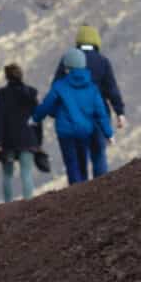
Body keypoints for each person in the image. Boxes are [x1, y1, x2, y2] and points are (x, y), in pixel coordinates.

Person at [52, 25, 126, 175]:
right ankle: (102, 187)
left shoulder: (68, 60)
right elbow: (112, 89)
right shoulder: (103, 61)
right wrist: (120, 113)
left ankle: (81, 189)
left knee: (80, 159)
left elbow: (56, 88)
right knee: (99, 155)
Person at [33, 48, 114, 184]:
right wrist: (109, 133)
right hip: (85, 131)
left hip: (65, 132)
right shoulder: (92, 88)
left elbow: (47, 105)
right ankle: (85, 189)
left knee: (71, 163)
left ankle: (76, 189)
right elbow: (101, 112)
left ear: (67, 68)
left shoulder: (59, 86)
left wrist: (36, 118)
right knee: (83, 161)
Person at [0, 63, 40, 201]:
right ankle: (29, 203)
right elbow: (37, 118)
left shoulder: (3, 94)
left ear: (7, 77)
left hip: (8, 141)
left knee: (7, 175)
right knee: (26, 173)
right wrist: (38, 140)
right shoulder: (31, 93)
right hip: (28, 138)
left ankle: (8, 204)